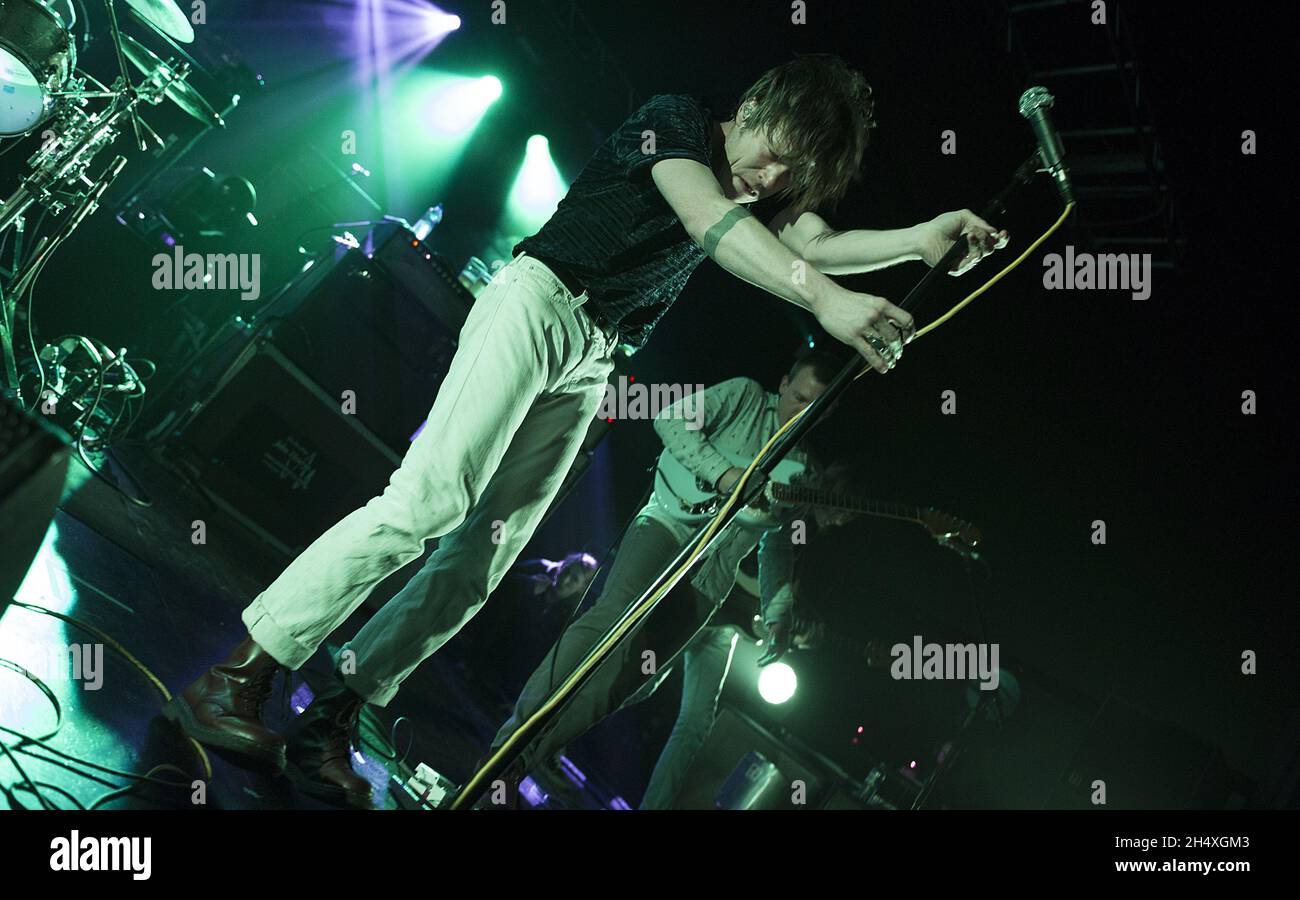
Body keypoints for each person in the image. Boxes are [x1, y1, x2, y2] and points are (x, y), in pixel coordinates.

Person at [162, 53, 1008, 809]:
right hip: (538, 300)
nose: (774, 177)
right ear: (752, 107)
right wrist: (822, 300)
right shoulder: (674, 120)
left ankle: (332, 719)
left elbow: (818, 243)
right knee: (427, 503)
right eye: (775, 150)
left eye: (796, 172)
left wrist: (919, 241)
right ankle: (239, 675)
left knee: (481, 559)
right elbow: (708, 221)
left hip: (593, 356)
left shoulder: (770, 191)